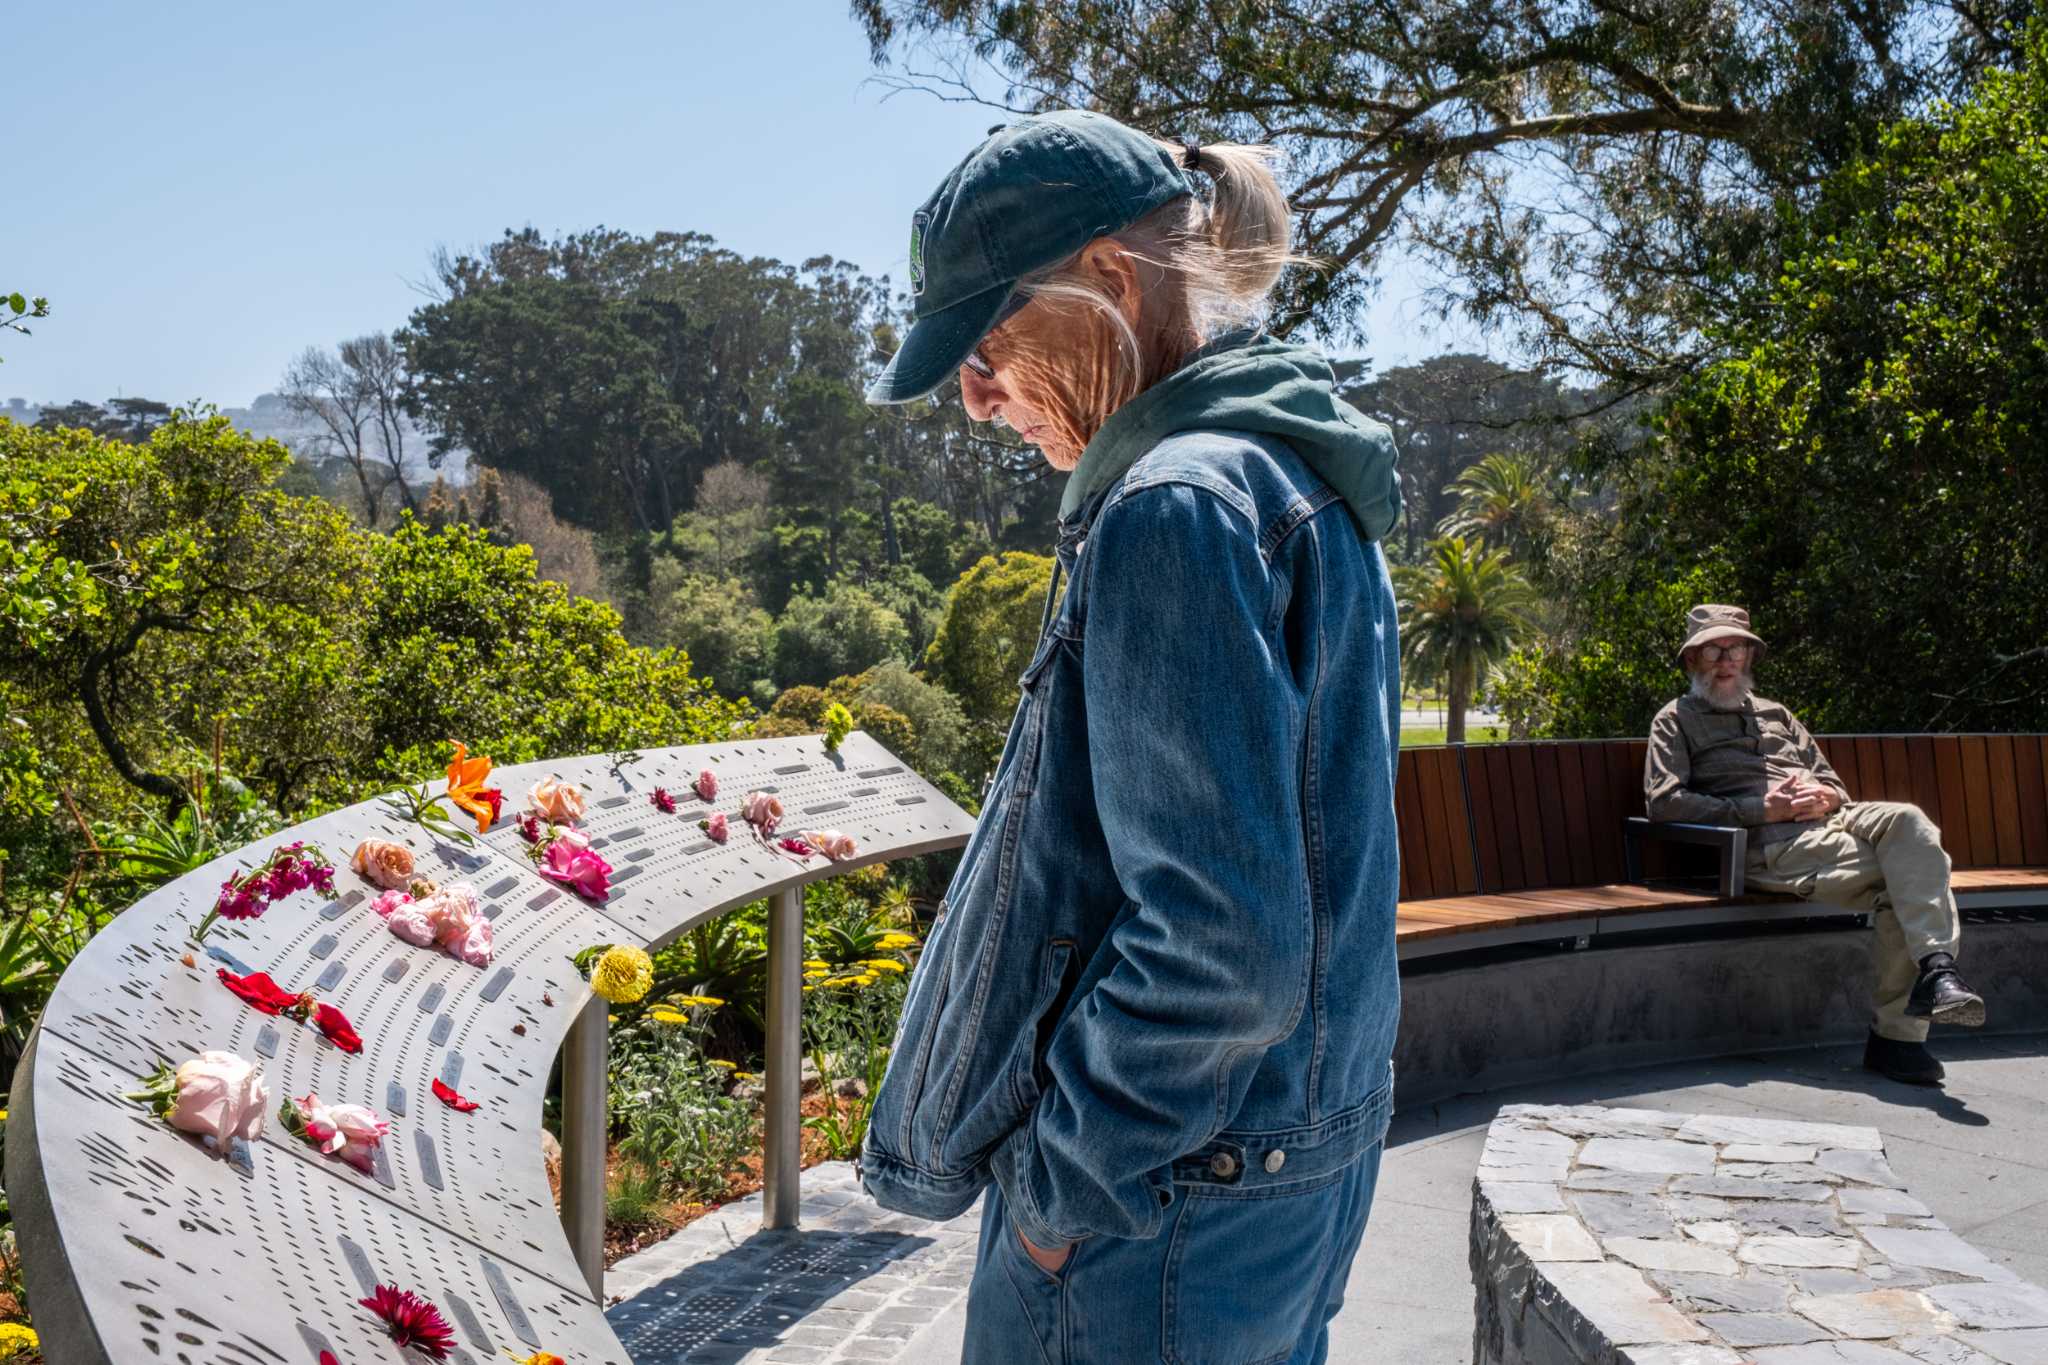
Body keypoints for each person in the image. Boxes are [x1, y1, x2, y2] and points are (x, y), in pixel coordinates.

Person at [855, 110, 1404, 1364]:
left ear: (1109, 278)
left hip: (1155, 1206)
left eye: (986, 343)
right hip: (1292, 1162)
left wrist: (1055, 1197)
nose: (975, 399)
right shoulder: (1301, 473)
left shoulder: (1172, 506)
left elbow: (1222, 942)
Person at [1644, 603, 1986, 1085]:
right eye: (1712, 651)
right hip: (1770, 844)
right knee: (1915, 879)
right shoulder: (1674, 719)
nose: (1726, 660)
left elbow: (1833, 782)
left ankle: (1936, 972)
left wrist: (1827, 795)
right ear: (1691, 660)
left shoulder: (1777, 714)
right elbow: (1664, 802)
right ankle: (1904, 1032)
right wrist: (1762, 809)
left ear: (1749, 656)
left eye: (1735, 649)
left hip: (1834, 822)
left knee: (1911, 822)